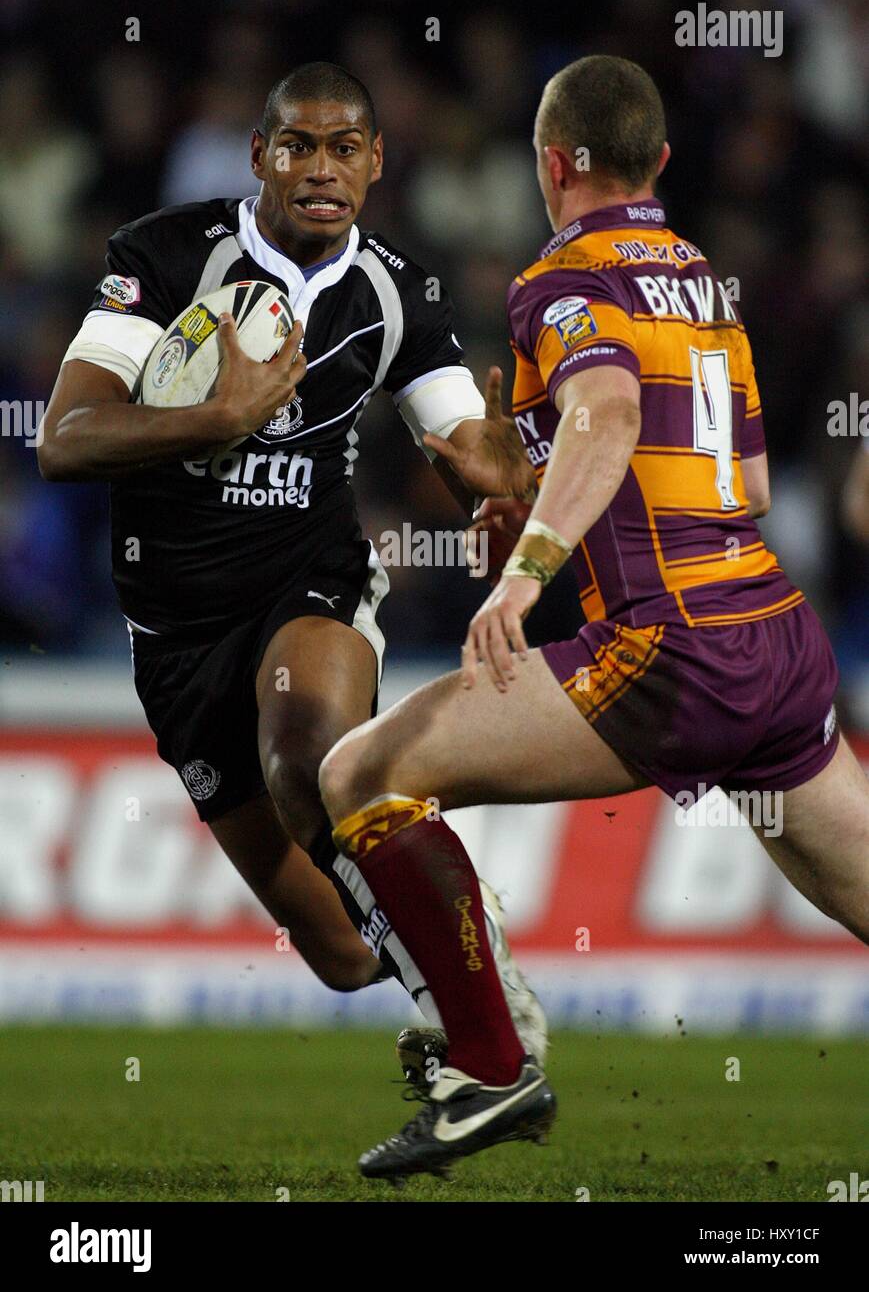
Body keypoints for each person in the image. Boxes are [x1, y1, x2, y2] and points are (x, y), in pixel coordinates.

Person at [318, 54, 869, 1182]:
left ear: (550, 163)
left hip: (668, 650)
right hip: (774, 637)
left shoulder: (560, 279)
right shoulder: (700, 277)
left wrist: (527, 567)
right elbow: (744, 482)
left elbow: (608, 411)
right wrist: (536, 483)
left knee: (359, 777)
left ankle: (491, 1058)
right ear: (658, 163)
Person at [38, 61, 546, 1068]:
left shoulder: (395, 290)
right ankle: (446, 933)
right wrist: (217, 415)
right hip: (175, 637)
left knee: (304, 748)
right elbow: (64, 437)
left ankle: (489, 1019)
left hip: (307, 584)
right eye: (298, 145)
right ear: (260, 155)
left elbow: (464, 450)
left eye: (343, 146)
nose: (321, 167)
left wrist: (494, 485)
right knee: (342, 952)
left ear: (375, 161)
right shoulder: (167, 255)